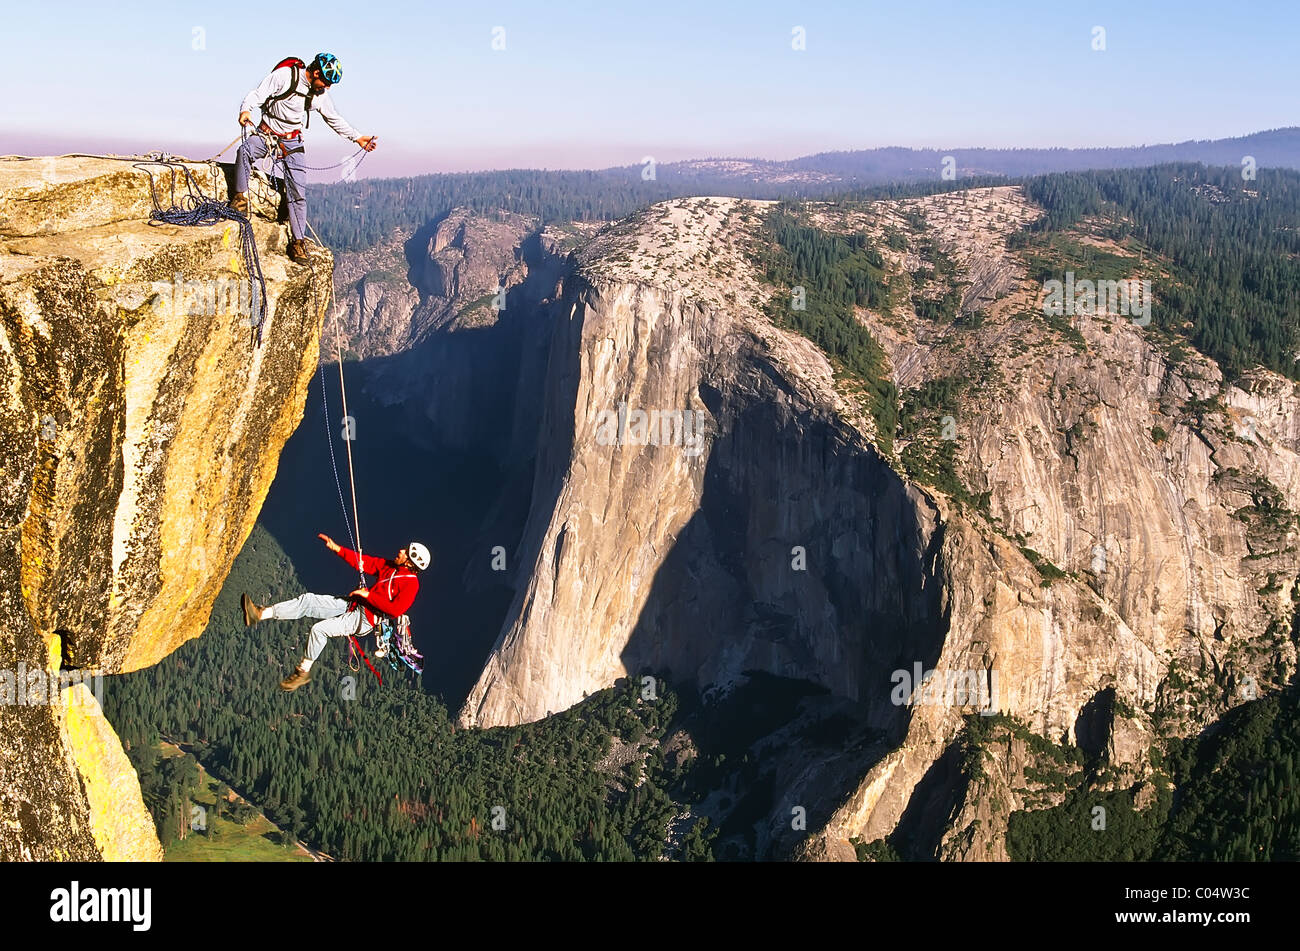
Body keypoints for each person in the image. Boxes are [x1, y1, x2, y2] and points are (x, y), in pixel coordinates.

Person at [230, 53, 377, 263]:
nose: (327, 87)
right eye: (325, 82)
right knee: (245, 151)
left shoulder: (319, 95)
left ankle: (298, 243)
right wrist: (246, 110)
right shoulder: (284, 77)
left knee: (298, 192)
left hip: (292, 142)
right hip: (266, 133)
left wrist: (358, 138)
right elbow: (257, 94)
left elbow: (333, 118)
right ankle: (240, 199)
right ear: (315, 72)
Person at [243, 533, 429, 691]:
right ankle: (259, 614)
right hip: (355, 605)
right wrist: (336, 548)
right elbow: (365, 563)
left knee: (319, 630)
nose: (401, 551)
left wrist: (367, 595)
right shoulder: (391, 567)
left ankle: (302, 672)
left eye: (405, 552)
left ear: (410, 563)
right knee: (308, 600)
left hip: (364, 620)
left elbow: (395, 610)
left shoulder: (411, 584)